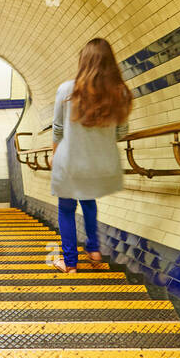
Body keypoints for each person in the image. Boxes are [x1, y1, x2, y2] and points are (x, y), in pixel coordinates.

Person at [50, 38, 132, 272]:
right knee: (88, 200)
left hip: (70, 163)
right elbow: (122, 132)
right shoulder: (120, 93)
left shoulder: (67, 90)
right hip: (99, 166)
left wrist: (55, 155)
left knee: (66, 209)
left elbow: (58, 129)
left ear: (83, 61)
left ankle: (70, 263)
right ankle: (94, 251)